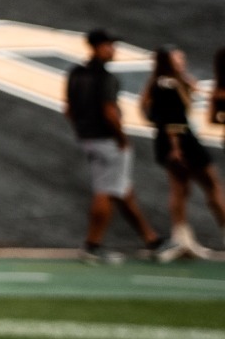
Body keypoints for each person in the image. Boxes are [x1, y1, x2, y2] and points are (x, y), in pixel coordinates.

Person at [65, 28, 171, 263]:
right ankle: (92, 245)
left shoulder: (75, 74)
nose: (113, 49)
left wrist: (82, 131)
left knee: (122, 189)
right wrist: (122, 138)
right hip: (107, 140)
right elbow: (110, 112)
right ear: (97, 47)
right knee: (106, 190)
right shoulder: (106, 78)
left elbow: (69, 109)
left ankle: (151, 239)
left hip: (88, 138)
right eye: (109, 45)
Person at [146, 47, 225, 259]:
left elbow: (150, 113)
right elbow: (174, 119)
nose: (182, 61)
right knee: (211, 185)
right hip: (182, 142)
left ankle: (183, 239)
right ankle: (185, 239)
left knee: (181, 189)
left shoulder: (160, 83)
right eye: (178, 58)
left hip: (169, 141)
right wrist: (176, 148)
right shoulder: (169, 85)